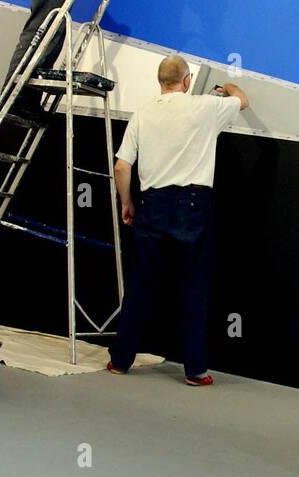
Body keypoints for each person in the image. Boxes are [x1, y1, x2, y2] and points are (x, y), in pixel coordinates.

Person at [105, 56, 250, 386]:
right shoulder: (204, 107)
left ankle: (120, 360)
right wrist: (226, 87)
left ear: (160, 82)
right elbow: (242, 100)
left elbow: (122, 167)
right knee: (193, 287)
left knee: (140, 287)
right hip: (193, 206)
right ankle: (195, 370)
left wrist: (128, 203)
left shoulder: (143, 113)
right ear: (186, 82)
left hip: (151, 205)